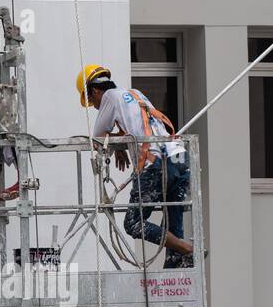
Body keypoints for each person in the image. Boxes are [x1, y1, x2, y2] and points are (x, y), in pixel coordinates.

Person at [76, 63, 193, 269]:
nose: (94, 106)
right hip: (178, 159)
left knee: (134, 223)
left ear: (95, 90)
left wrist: (115, 144)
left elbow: (97, 139)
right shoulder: (134, 93)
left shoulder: (109, 97)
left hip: (155, 163)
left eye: (92, 100)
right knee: (174, 229)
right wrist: (120, 145)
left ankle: (189, 249)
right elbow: (137, 125)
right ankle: (178, 270)